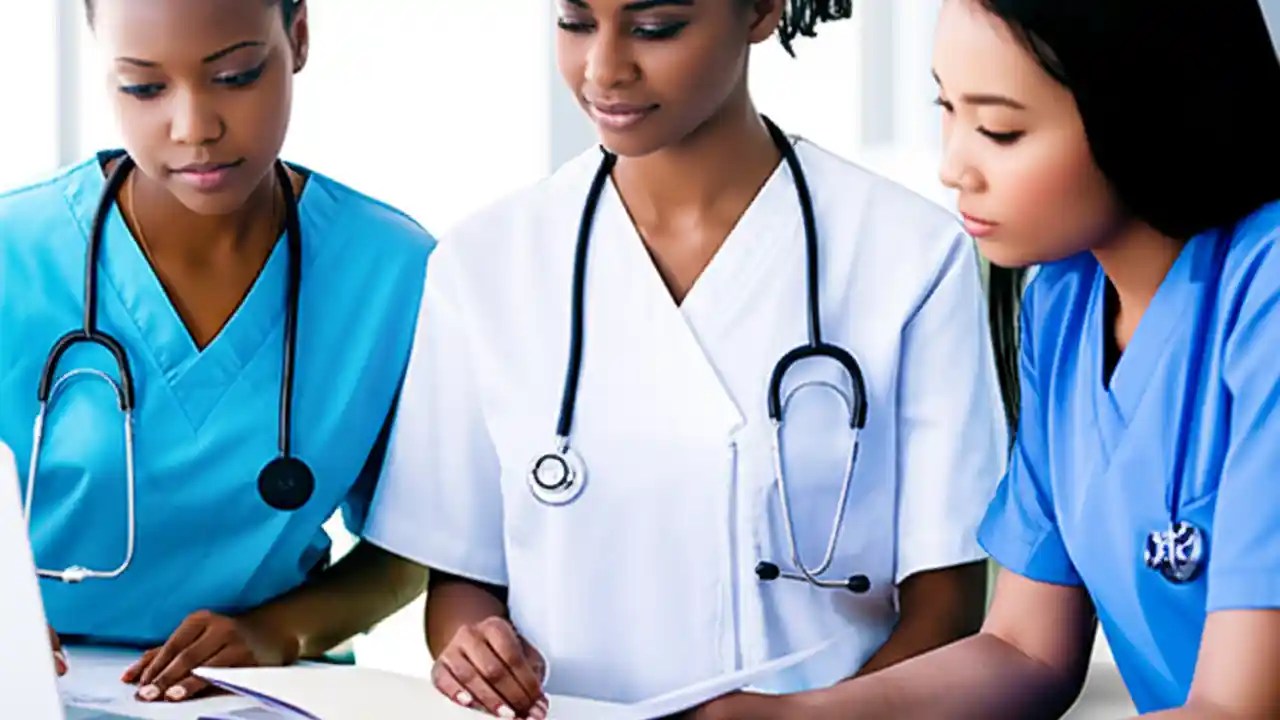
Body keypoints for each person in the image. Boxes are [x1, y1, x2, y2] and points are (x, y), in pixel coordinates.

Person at [362, 1, 1008, 717]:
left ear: (761, 11)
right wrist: (477, 652)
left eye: (655, 28)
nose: (603, 70)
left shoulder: (909, 254)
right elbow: (463, 580)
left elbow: (947, 607)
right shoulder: (484, 264)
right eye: (575, 22)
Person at [723, 0, 1280, 717]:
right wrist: (796, 715)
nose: (953, 168)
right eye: (946, 109)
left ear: (1144, 108)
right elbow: (1024, 648)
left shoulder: (1266, 294)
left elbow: (1238, 710)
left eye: (999, 131)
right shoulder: (1065, 301)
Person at [0, 0, 433, 703]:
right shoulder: (14, 253)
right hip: (35, 689)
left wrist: (278, 632)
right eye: (144, 87)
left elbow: (415, 547)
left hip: (265, 692)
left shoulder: (393, 272)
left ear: (297, 37)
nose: (193, 127)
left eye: (235, 77)